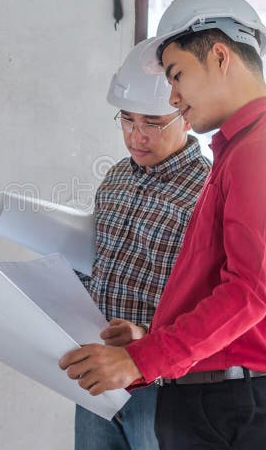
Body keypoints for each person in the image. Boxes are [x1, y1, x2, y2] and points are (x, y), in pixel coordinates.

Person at [60, 0, 266, 450]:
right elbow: (212, 283)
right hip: (206, 393)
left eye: (177, 76)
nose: (174, 96)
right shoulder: (241, 149)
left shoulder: (265, 151)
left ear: (220, 56)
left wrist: (143, 358)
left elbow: (246, 293)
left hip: (227, 402)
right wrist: (150, 338)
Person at [74, 39, 210, 449]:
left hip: (165, 387)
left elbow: (218, 303)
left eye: (152, 122)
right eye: (127, 120)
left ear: (185, 117)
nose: (136, 136)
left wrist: (148, 335)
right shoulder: (117, 177)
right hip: (98, 375)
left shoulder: (208, 192)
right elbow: (96, 265)